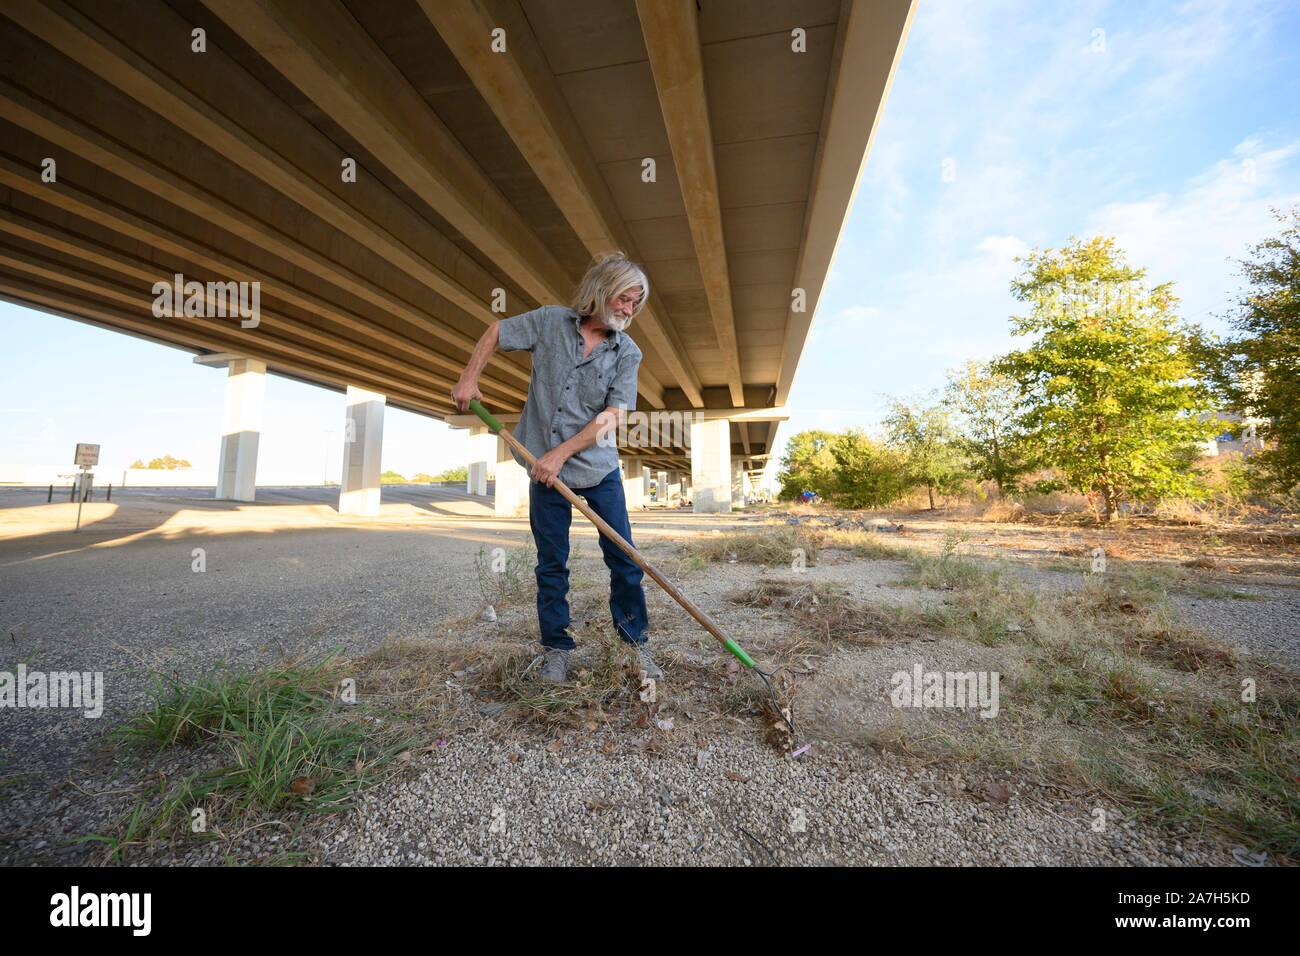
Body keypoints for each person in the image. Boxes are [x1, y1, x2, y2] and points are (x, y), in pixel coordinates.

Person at [451, 253, 662, 684]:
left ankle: (635, 645)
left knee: (624, 558)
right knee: (552, 563)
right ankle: (556, 650)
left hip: (596, 469)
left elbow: (612, 416)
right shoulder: (550, 322)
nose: (627, 310)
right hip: (541, 466)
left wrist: (561, 453)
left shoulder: (628, 353)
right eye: (623, 299)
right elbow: (497, 331)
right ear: (602, 290)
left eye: (634, 305)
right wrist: (468, 378)